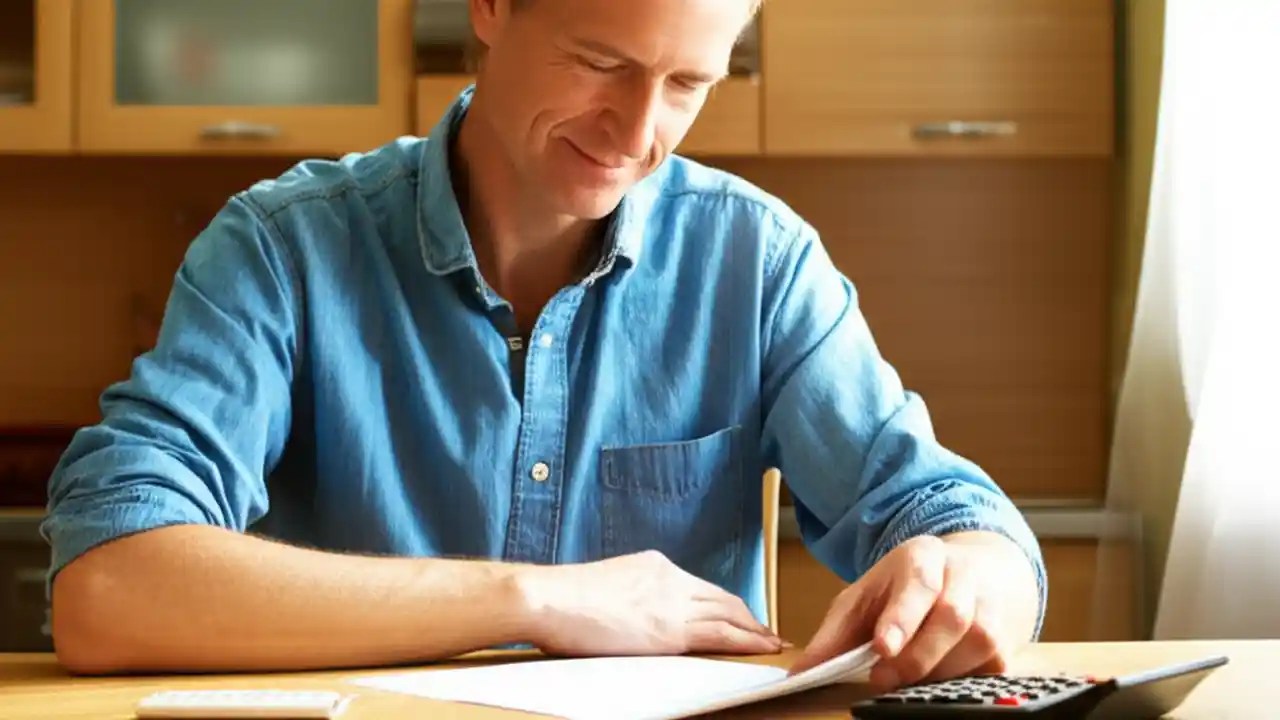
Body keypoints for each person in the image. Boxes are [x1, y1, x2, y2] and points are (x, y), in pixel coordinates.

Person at [42, 0, 1045, 691]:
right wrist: (536, 599)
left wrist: (970, 578)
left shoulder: (760, 263)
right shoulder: (282, 248)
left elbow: (949, 513)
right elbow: (111, 585)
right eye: (601, 62)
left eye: (687, 83)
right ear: (489, 6)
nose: (636, 132)